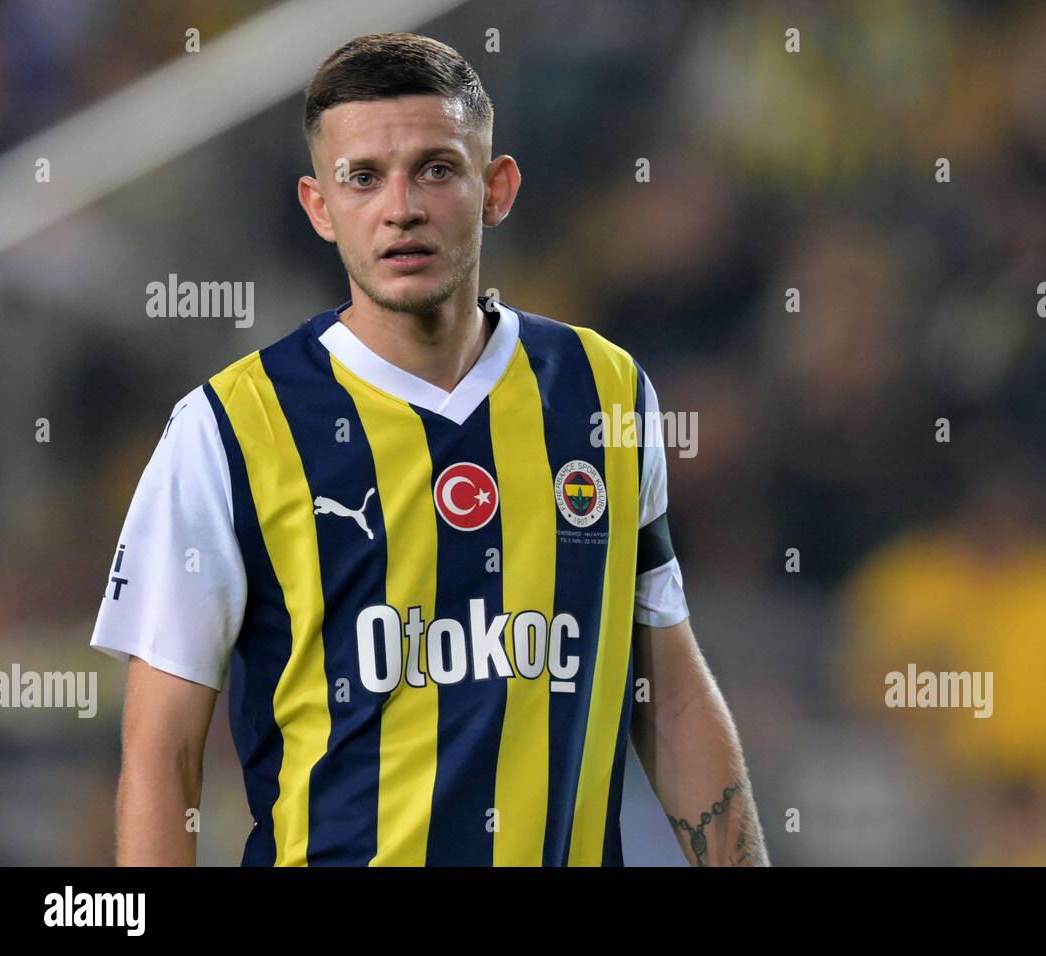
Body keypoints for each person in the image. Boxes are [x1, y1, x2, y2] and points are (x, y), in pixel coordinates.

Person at [89, 32, 767, 867]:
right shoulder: (226, 430)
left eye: (437, 170)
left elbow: (665, 694)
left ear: (497, 187)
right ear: (318, 206)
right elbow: (163, 755)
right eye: (363, 178)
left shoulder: (604, 393)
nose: (400, 206)